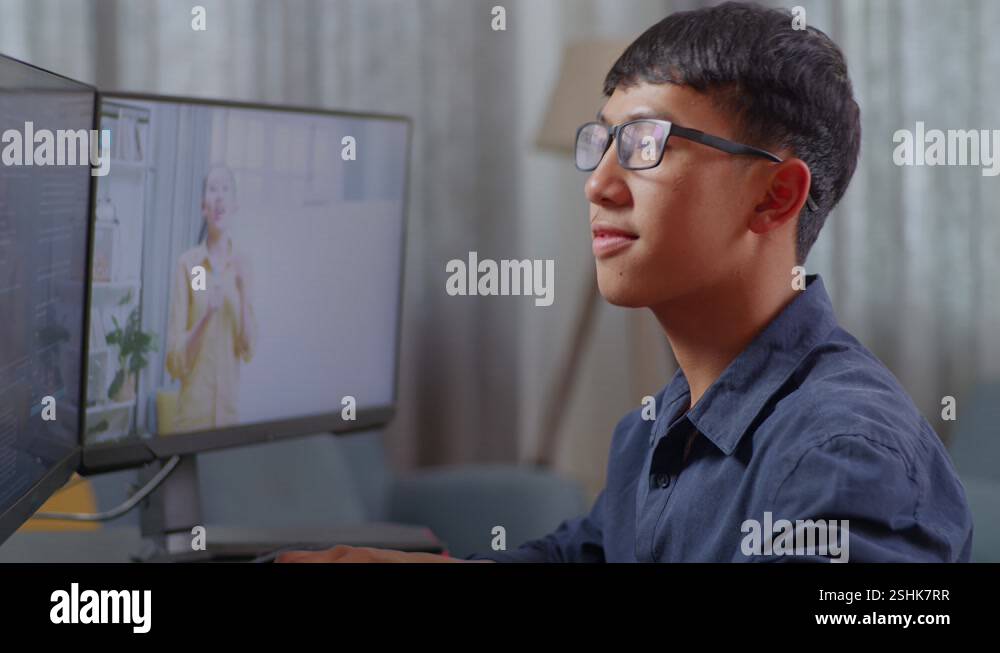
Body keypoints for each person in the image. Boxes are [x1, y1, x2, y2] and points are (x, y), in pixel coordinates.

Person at [278, 2, 972, 563]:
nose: (599, 185)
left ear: (775, 196)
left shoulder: (847, 458)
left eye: (646, 145)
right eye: (602, 142)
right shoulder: (659, 426)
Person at [165, 165, 257, 434]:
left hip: (228, 422)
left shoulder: (243, 266)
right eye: (212, 189)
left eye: (225, 189)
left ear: (235, 204)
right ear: (203, 207)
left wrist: (242, 292)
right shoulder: (191, 266)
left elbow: (248, 348)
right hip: (192, 421)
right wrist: (206, 316)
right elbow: (174, 361)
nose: (218, 197)